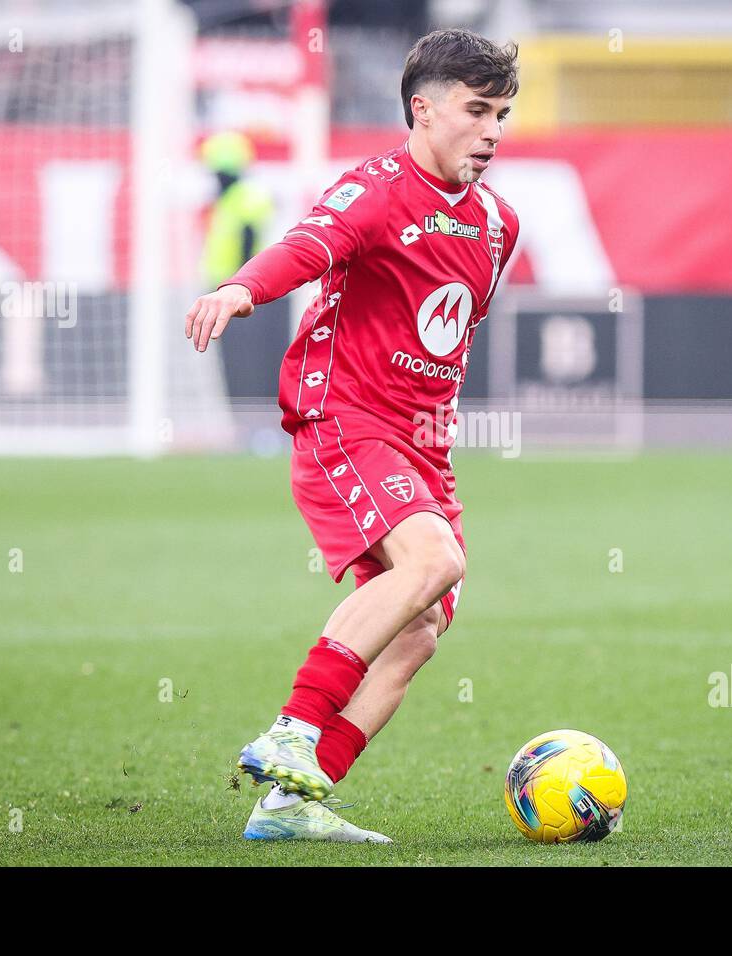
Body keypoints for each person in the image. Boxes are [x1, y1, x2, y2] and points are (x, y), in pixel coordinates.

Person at [184, 28, 521, 843]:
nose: (492, 131)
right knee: (437, 561)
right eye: (476, 111)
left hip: (422, 446)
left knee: (420, 631)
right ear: (424, 109)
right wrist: (241, 288)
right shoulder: (375, 188)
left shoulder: (500, 225)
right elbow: (308, 246)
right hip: (345, 423)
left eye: (502, 114)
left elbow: (442, 343)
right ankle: (292, 730)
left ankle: (293, 802)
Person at [197, 131, 276, 290]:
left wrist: (240, 282)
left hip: (236, 285)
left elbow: (249, 237)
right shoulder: (229, 198)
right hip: (226, 282)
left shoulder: (245, 196)